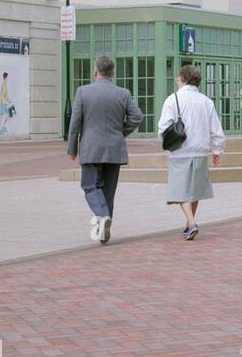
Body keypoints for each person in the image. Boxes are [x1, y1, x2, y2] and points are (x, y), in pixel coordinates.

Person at [67, 55, 143, 244]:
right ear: (113, 73)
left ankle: (102, 216)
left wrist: (72, 148)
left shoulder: (83, 92)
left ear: (96, 71)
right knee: (108, 190)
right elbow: (137, 116)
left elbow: (75, 123)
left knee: (89, 185)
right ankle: (103, 226)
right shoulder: (123, 93)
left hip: (91, 148)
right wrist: (122, 131)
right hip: (115, 148)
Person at [157, 64, 224, 241]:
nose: (177, 80)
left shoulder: (173, 99)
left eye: (178, 78)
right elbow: (216, 129)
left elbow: (163, 127)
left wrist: (165, 141)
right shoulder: (206, 101)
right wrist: (217, 150)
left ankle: (191, 222)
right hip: (200, 151)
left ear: (183, 79)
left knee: (181, 191)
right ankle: (189, 224)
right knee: (194, 191)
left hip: (180, 151)